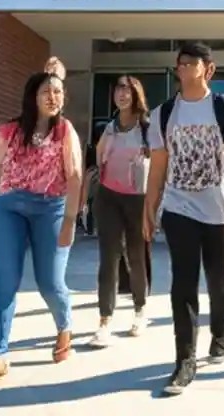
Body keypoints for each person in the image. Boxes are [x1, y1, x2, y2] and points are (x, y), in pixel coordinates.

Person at [143, 42, 224, 396]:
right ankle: (184, 360)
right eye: (180, 63)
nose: (184, 68)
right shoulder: (164, 114)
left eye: (191, 63)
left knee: (220, 282)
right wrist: (149, 209)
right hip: (179, 208)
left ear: (209, 69)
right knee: (183, 283)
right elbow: (157, 166)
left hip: (220, 209)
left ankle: (220, 331)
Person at [0, 71, 85, 390]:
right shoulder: (8, 130)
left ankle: (64, 325)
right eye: (47, 91)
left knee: (50, 281)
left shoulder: (65, 131)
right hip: (10, 207)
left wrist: (71, 220)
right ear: (33, 96)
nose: (54, 97)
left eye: (58, 92)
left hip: (52, 209)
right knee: (6, 280)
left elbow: (73, 176)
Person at [89, 75, 152, 347]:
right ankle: (104, 321)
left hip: (137, 199)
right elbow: (96, 161)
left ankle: (140, 310)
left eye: (127, 90)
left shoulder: (148, 128)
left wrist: (155, 204)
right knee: (108, 259)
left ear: (136, 95)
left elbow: (161, 164)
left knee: (135, 257)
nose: (122, 94)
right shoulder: (108, 128)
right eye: (118, 90)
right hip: (108, 198)